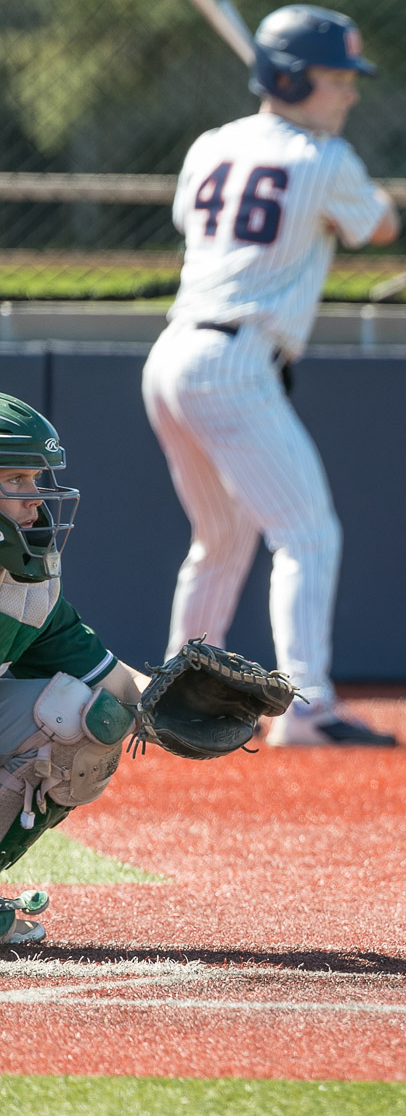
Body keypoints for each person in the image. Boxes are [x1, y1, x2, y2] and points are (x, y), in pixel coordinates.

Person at [141, 4, 400, 747]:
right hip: (235, 360)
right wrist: (366, 195)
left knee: (221, 538)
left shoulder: (210, 145)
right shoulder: (326, 161)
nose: (349, 92)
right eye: (336, 78)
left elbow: (198, 223)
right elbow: (379, 228)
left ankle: (171, 698)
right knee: (307, 535)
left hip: (172, 356)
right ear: (292, 77)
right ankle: (308, 706)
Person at [0, 395, 156, 943]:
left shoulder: (23, 582)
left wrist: (169, 698)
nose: (34, 499)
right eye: (14, 479)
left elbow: (105, 679)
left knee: (88, 719)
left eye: (35, 479)